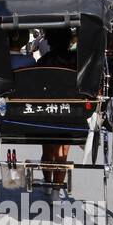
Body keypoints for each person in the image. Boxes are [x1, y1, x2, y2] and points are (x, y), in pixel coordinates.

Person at [36, 27, 76, 191]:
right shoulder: (77, 60)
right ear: (69, 41)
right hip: (72, 112)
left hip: (47, 113)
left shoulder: (43, 61)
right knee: (63, 150)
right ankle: (57, 188)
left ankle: (48, 183)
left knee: (47, 148)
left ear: (49, 41)